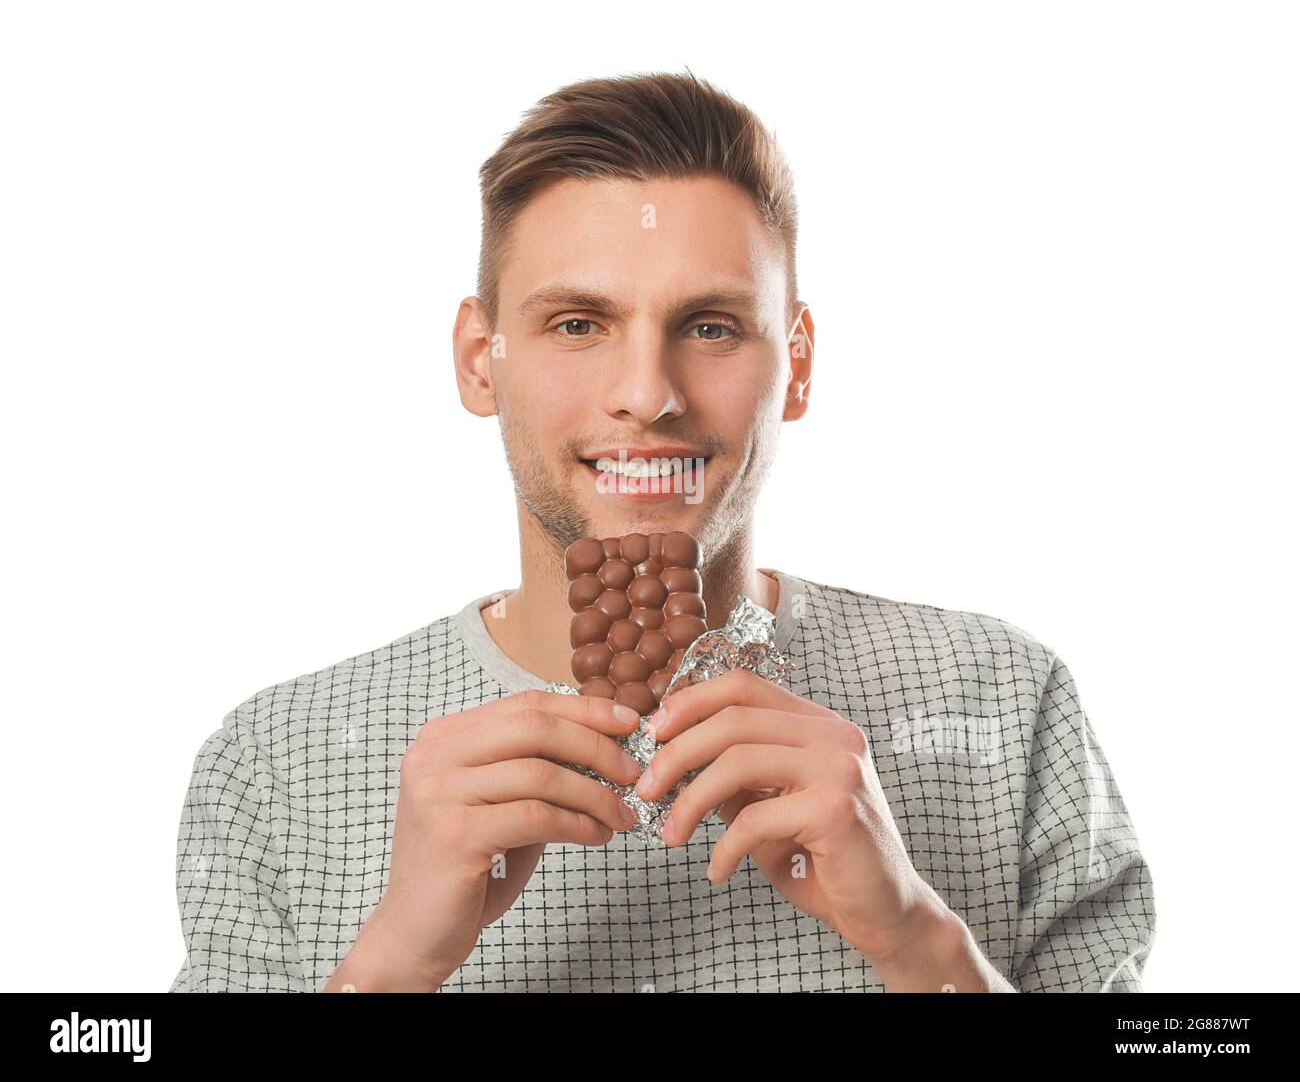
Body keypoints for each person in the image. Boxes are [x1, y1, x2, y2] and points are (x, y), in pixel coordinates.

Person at [169, 71, 1156, 993]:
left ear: (797, 363)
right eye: (576, 325)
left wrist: (919, 942)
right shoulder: (277, 759)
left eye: (711, 325)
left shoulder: (1005, 703)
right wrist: (384, 967)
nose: (647, 395)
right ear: (480, 359)